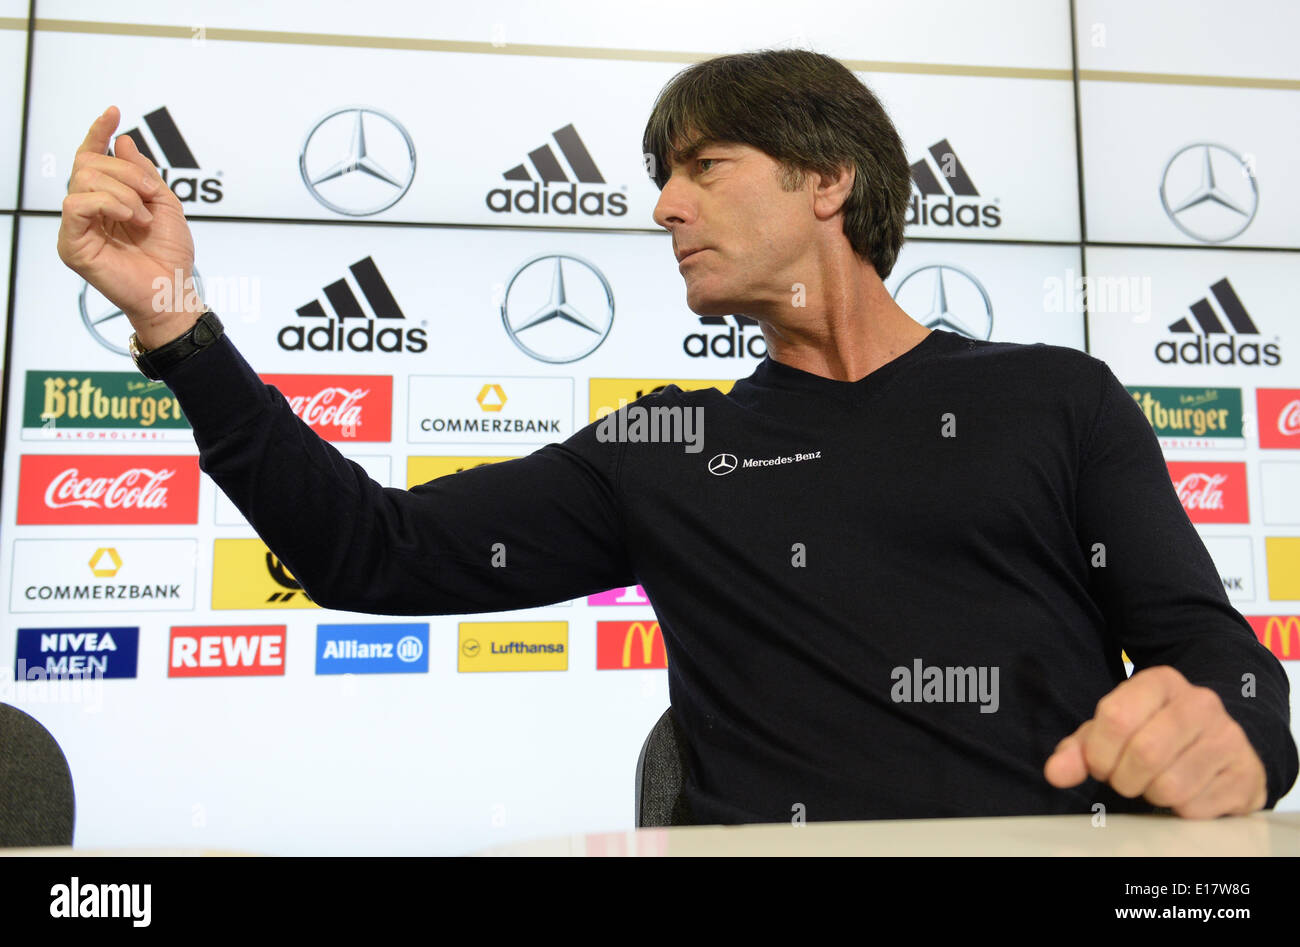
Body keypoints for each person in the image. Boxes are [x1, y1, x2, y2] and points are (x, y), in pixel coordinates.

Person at [57, 49, 1296, 825]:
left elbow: (1220, 660)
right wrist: (174, 319)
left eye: (704, 165)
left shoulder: (1058, 397)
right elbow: (369, 549)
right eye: (662, 175)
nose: (662, 205)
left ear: (828, 180)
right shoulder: (664, 445)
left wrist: (1236, 739)